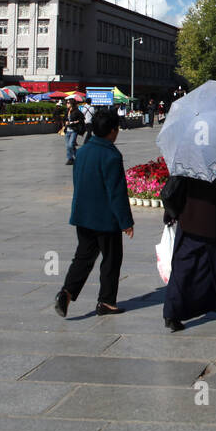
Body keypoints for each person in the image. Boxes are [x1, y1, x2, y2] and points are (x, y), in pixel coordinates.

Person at [54, 110, 134, 318]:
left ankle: (67, 292)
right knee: (111, 259)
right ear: (111, 131)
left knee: (83, 256)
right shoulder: (112, 155)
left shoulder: (83, 151)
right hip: (106, 219)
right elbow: (117, 192)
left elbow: (78, 181)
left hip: (83, 214)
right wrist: (126, 221)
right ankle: (106, 301)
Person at [159, 159, 216, 332]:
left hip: (190, 218)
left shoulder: (187, 154)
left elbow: (174, 187)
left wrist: (171, 211)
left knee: (185, 267)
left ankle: (173, 312)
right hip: (215, 218)